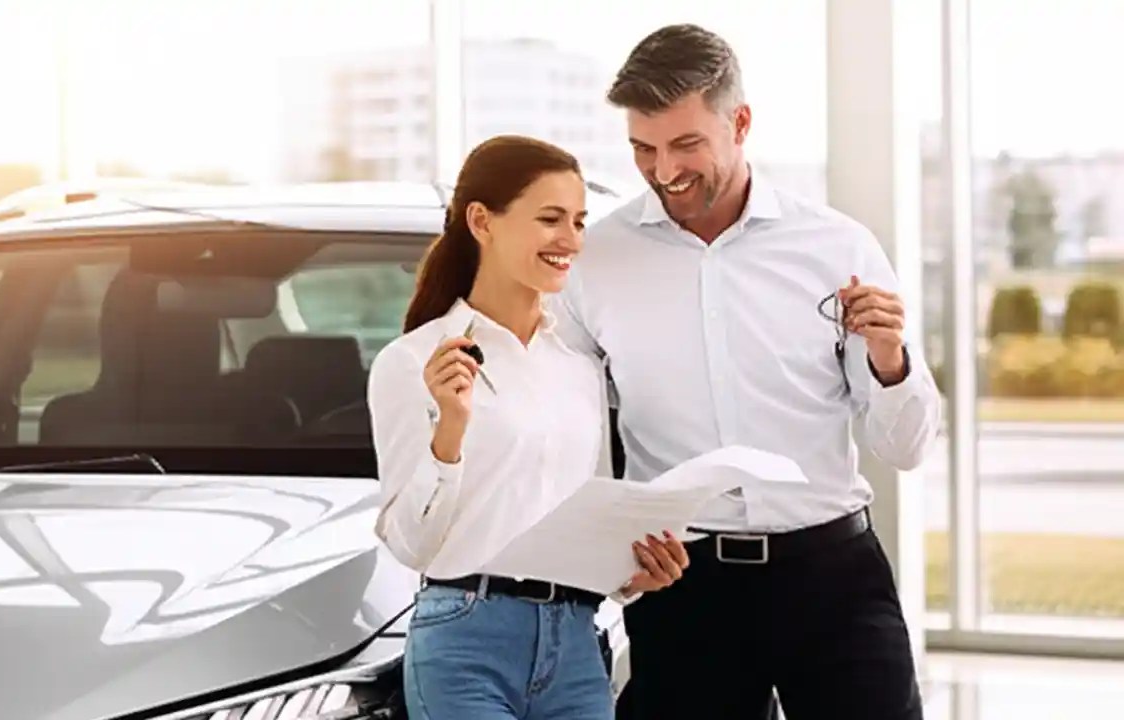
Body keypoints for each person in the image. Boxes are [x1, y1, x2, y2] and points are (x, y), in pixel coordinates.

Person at [551, 24, 943, 720]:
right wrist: (611, 550)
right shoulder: (596, 261)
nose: (664, 169)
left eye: (686, 145)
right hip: (684, 591)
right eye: (644, 148)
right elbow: (572, 441)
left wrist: (891, 361)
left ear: (741, 122)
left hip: (833, 580)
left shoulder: (835, 247)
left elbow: (905, 447)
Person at [367, 134, 690, 720]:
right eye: (550, 219)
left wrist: (632, 570)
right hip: (466, 637)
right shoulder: (413, 363)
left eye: (579, 221)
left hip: (575, 641)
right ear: (482, 221)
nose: (570, 240)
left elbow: (583, 515)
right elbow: (412, 545)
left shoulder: (579, 368)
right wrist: (450, 432)